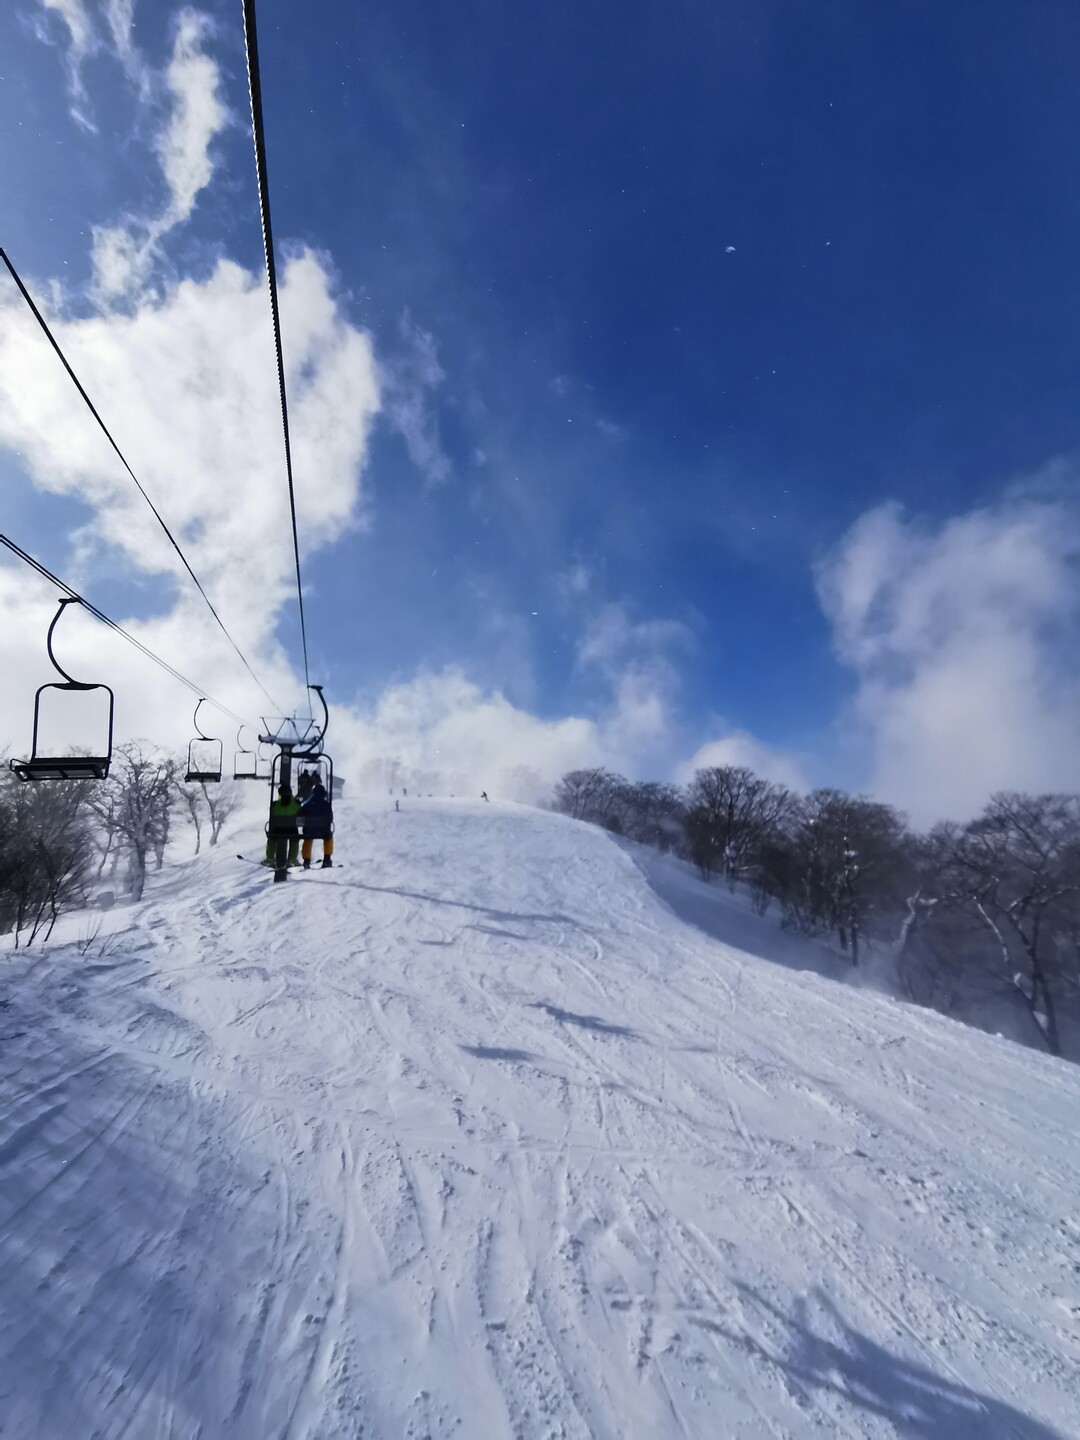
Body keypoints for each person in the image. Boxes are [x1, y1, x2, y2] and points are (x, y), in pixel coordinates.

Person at [300, 780, 334, 868]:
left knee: (307, 839)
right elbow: (330, 819)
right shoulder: (326, 804)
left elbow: (301, 816)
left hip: (309, 830)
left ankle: (306, 860)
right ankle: (327, 859)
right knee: (328, 838)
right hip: (323, 831)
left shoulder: (307, 804)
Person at [266, 783, 301, 867]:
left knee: (271, 838)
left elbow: (272, 816)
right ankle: (292, 858)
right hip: (292, 831)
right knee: (295, 840)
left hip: (278, 830)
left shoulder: (275, 805)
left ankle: (270, 857)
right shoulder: (296, 804)